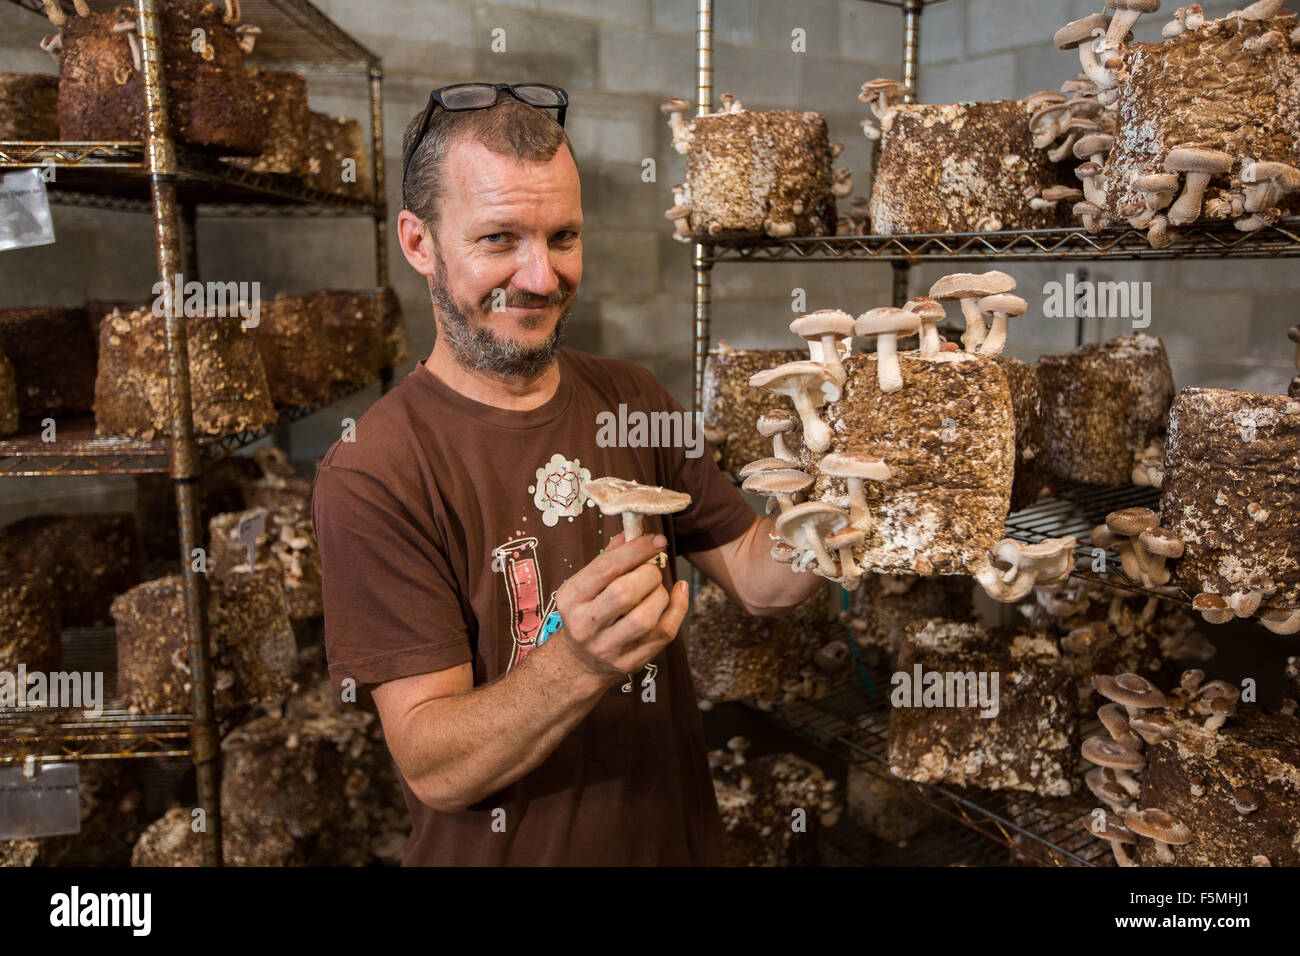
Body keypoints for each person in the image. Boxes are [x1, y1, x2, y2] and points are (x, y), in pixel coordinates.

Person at [312, 83, 826, 865]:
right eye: (499, 239)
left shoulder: (634, 399)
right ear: (419, 243)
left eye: (563, 237)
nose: (542, 277)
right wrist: (575, 664)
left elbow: (762, 580)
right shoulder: (375, 470)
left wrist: (851, 487)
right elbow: (433, 765)